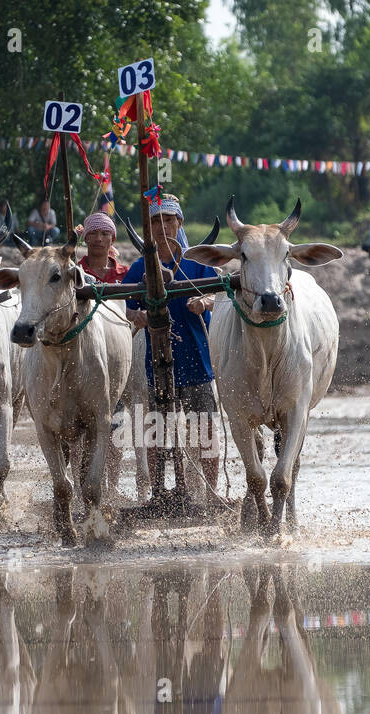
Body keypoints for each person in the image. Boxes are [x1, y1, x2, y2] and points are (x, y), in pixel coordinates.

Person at [123, 195, 220, 502]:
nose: (163, 226)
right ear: (148, 228)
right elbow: (126, 305)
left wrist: (203, 302)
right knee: (155, 430)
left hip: (196, 357)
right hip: (157, 361)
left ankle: (211, 492)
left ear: (180, 222)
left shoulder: (197, 262)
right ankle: (156, 493)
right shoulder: (141, 266)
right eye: (155, 221)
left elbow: (216, 295)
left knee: (205, 429)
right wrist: (136, 315)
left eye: (168, 219)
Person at [77, 211, 127, 282]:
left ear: (112, 239)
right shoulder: (74, 273)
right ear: (85, 238)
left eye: (105, 234)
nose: (98, 239)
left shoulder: (125, 273)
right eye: (93, 233)